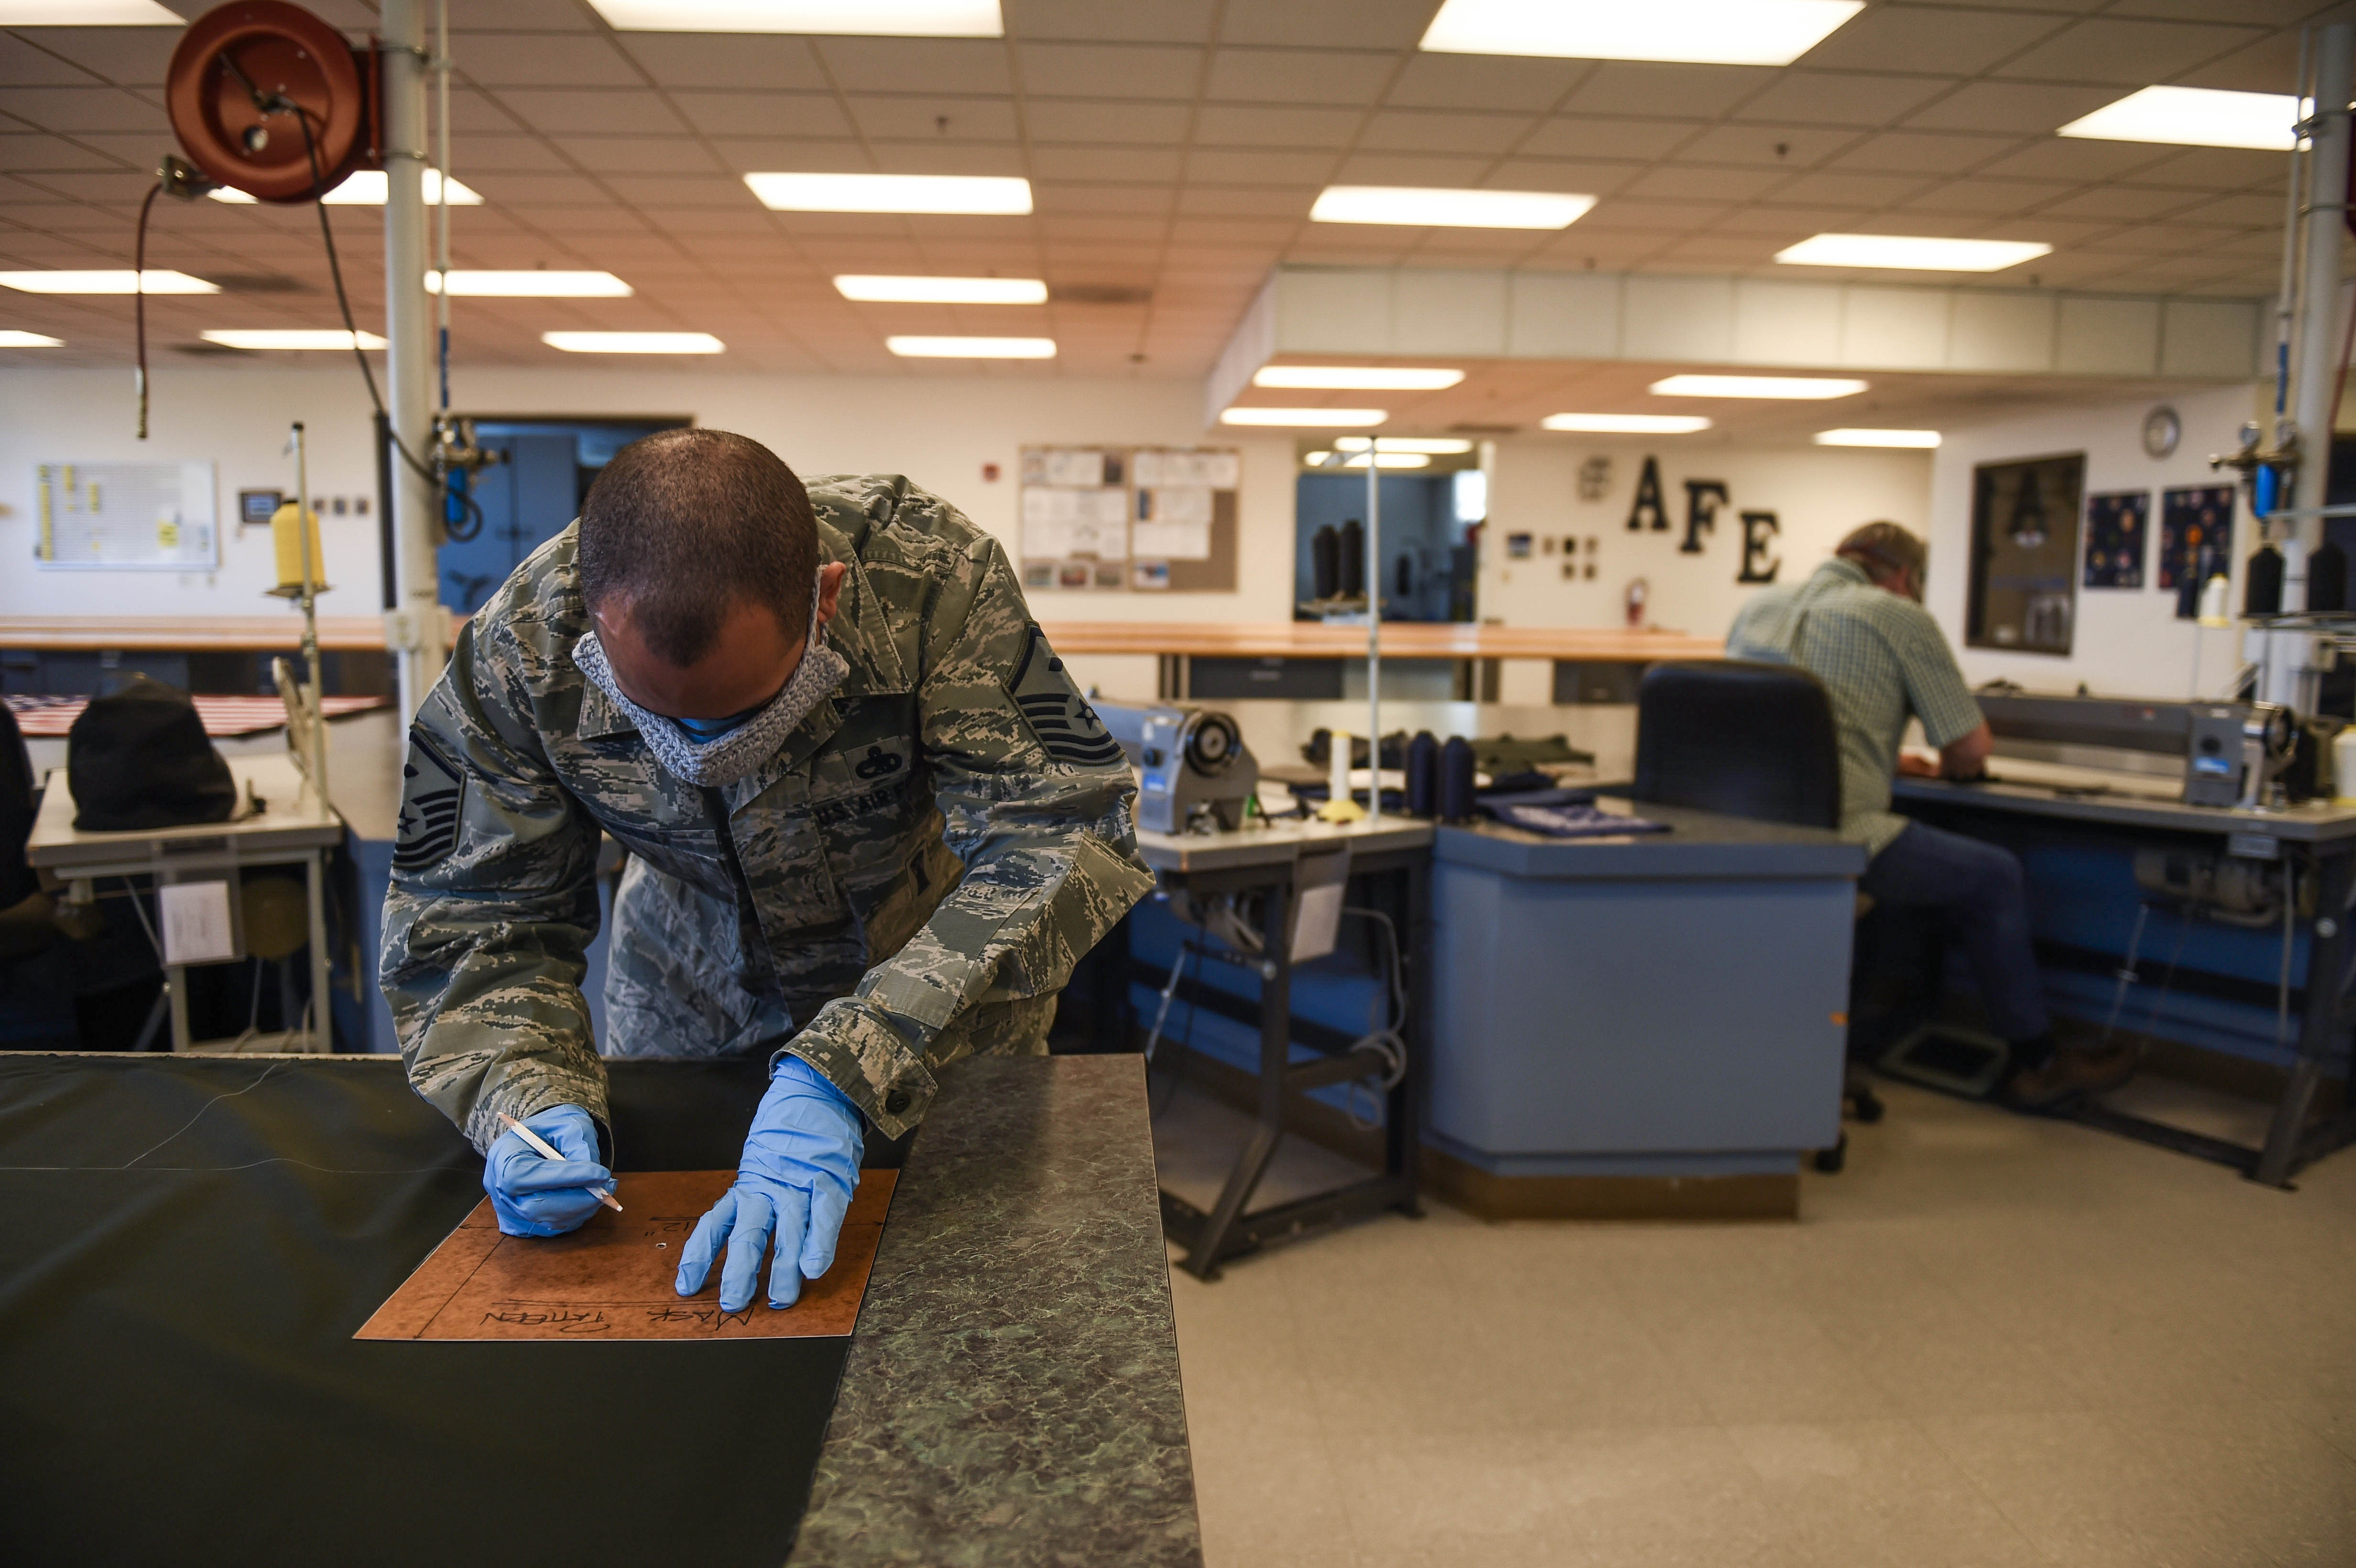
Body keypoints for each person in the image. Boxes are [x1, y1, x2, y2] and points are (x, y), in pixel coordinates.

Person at [382, 430, 1152, 1312]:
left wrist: (854, 1059)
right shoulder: (521, 645)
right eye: (654, 713)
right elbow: (468, 915)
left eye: (742, 713)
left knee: (972, 1305)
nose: (699, 751)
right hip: (688, 995)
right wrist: (523, 1093)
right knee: (680, 1300)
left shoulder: (934, 581)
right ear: (593, 623)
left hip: (935, 991)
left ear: (825, 601)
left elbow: (1063, 831)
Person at [1725, 521, 2135, 1110]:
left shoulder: (1758, 607)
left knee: (1891, 891)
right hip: (1837, 833)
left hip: (1741, 826)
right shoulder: (1897, 615)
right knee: (1993, 875)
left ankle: (1863, 1029)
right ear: (1902, 576)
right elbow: (1969, 749)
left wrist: (1882, 758)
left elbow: (1788, 719)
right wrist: (1941, 765)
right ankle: (2037, 1064)